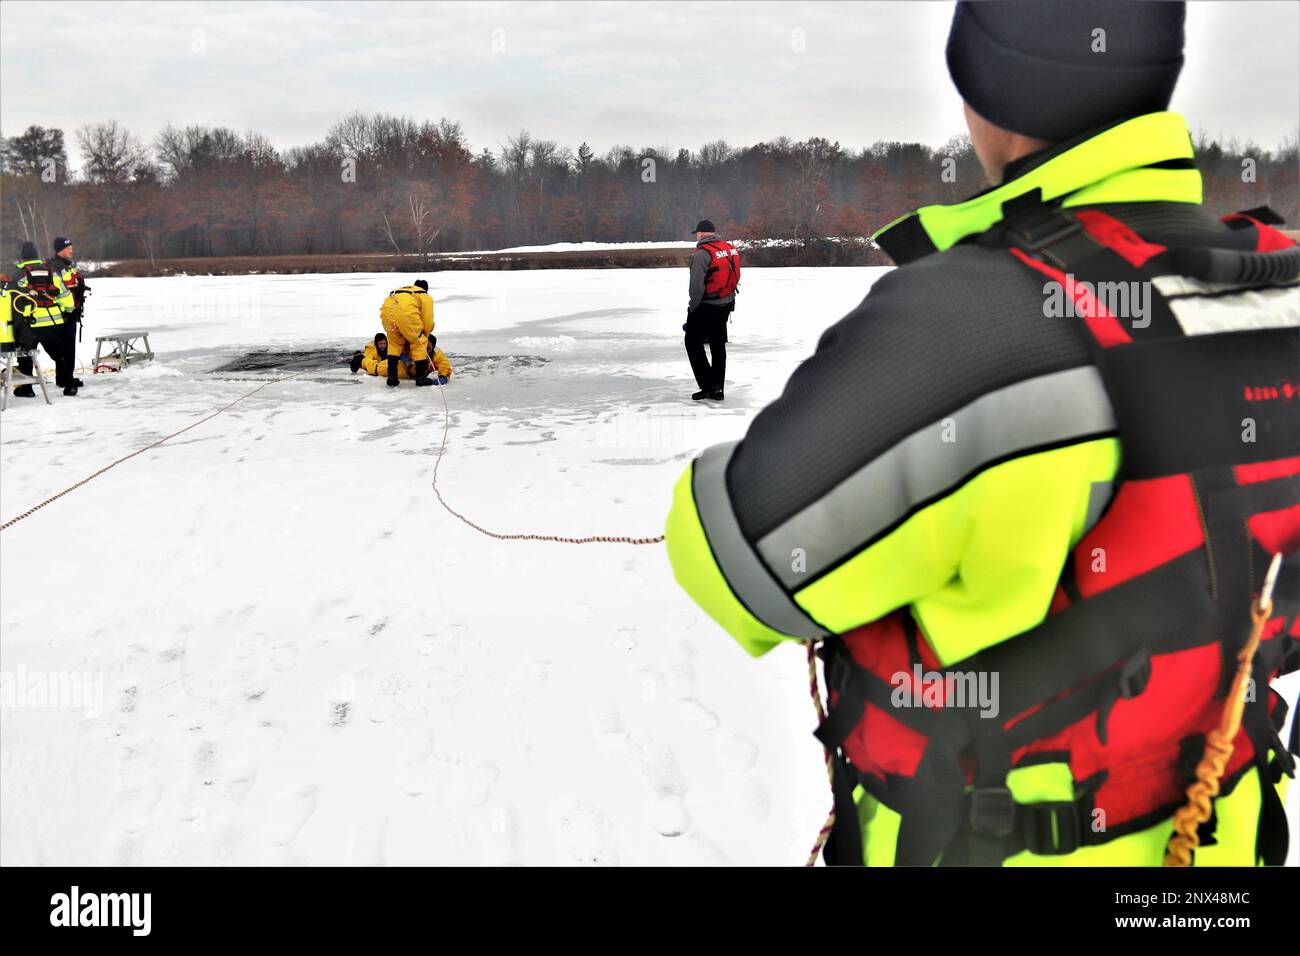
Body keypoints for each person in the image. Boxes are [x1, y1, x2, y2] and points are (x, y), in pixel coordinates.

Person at [664, 1, 1299, 867]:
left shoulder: (972, 323)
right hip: (1228, 847)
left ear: (982, 91)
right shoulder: (1281, 284)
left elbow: (743, 562)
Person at [683, 220, 739, 401]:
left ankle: (709, 385)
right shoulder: (728, 248)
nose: (696, 237)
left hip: (707, 305)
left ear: (701, 233)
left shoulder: (701, 254)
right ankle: (718, 389)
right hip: (727, 303)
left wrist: (693, 307)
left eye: (697, 233)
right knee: (717, 344)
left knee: (692, 341)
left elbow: (696, 287)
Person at [12, 241, 75, 396]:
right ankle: (69, 385)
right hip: (53, 322)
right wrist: (68, 310)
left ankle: (27, 389)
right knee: (59, 355)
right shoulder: (51, 271)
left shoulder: (20, 274)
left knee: (26, 355)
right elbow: (65, 294)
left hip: (30, 324)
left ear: (23, 257)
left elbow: (14, 300)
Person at [378, 278, 435, 386]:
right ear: (426, 289)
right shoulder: (424, 295)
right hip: (405, 313)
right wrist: (424, 336)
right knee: (419, 342)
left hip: (387, 310)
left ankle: (392, 377)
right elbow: (427, 319)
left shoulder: (404, 291)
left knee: (395, 343)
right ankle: (421, 378)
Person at [48, 237, 87, 392]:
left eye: (71, 247)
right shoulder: (55, 267)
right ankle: (66, 379)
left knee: (67, 348)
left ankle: (65, 377)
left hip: (72, 312)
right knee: (65, 348)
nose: (71, 250)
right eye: (68, 248)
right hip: (63, 313)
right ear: (60, 250)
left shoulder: (67, 265)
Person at [351, 332, 452, 384]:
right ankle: (359, 359)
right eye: (425, 347)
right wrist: (405, 359)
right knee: (375, 368)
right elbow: (399, 346)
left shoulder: (436, 352)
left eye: (429, 348)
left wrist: (442, 376)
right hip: (399, 367)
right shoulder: (414, 345)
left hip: (410, 373)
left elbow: (444, 364)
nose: (426, 350)